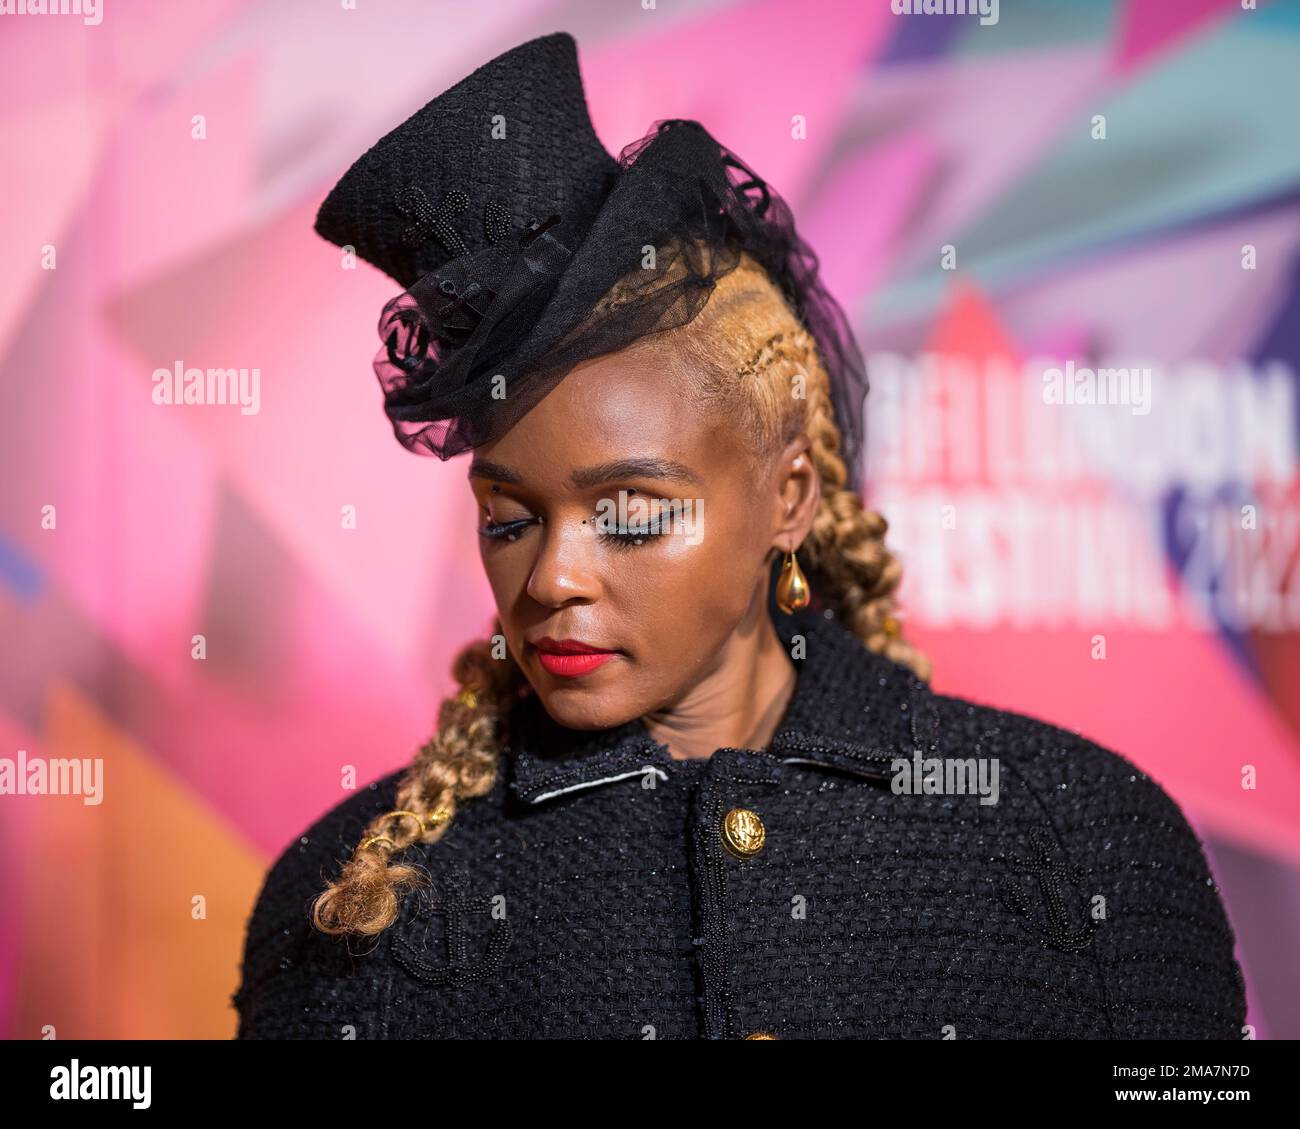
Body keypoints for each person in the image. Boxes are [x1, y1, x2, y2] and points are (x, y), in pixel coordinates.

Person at [232, 32, 1247, 1039]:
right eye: (508, 518)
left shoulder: (1084, 838)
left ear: (790, 496)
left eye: (629, 511)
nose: (551, 579)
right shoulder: (361, 903)